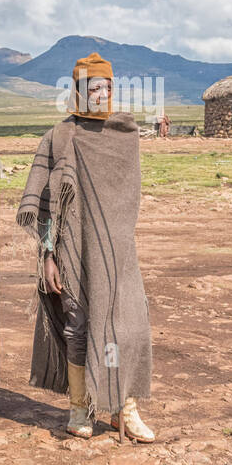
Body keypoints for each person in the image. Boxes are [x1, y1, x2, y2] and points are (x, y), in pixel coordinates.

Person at [17, 52, 155, 442]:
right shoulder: (60, 137)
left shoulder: (125, 136)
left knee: (127, 327)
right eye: (93, 87)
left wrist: (120, 243)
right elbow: (45, 204)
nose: (101, 94)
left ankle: (124, 408)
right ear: (77, 91)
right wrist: (47, 255)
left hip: (117, 252)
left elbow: (128, 199)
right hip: (72, 251)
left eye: (107, 87)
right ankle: (80, 407)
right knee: (78, 325)